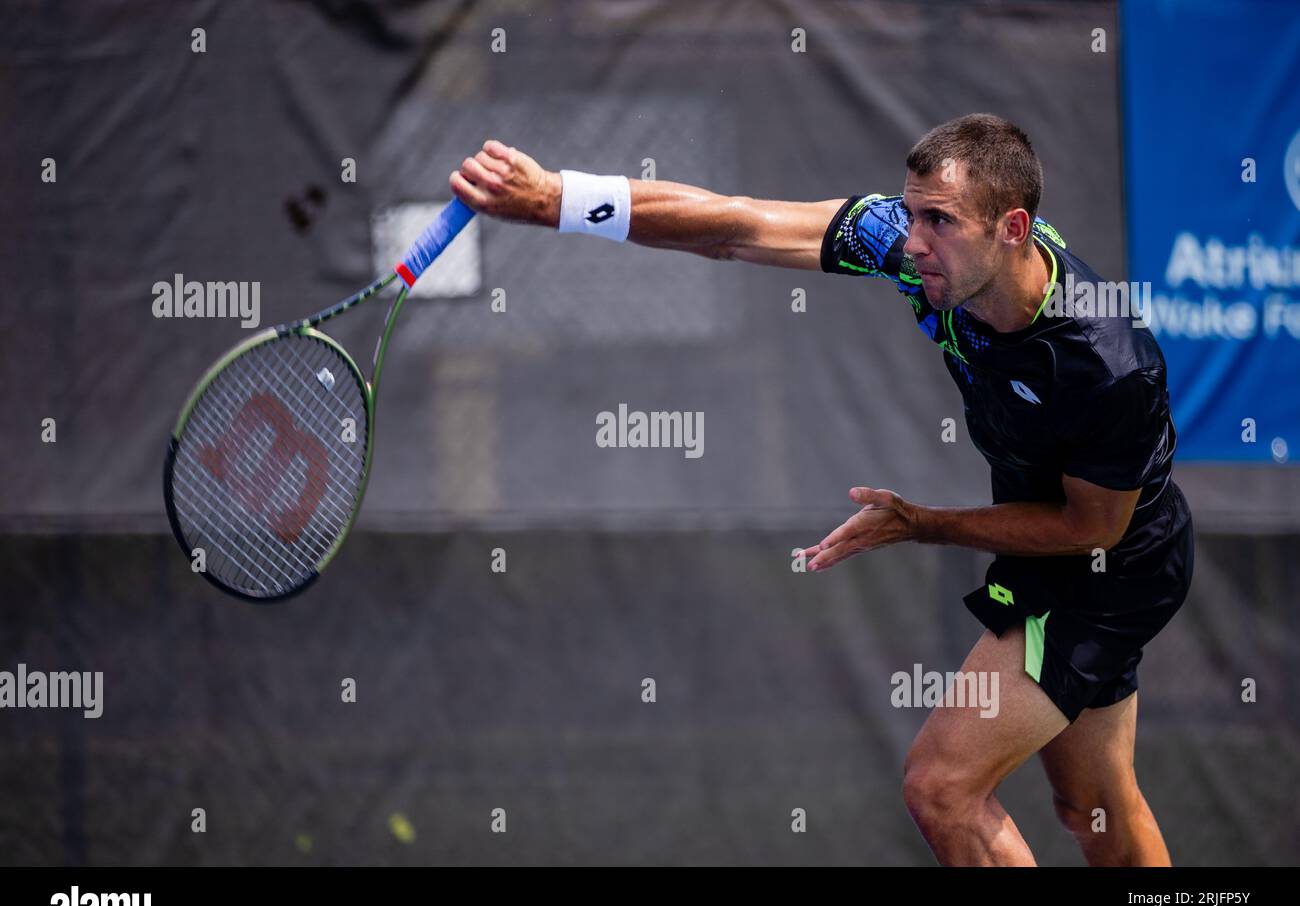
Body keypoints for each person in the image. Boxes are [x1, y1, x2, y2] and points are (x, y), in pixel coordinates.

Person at [448, 113, 1194, 866]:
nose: (911, 241)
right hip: (1074, 540)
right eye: (910, 215)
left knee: (943, 788)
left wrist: (922, 524)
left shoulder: (1107, 365)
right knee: (1094, 809)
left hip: (1112, 567)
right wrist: (557, 199)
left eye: (939, 221)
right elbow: (734, 226)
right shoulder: (916, 252)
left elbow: (1088, 531)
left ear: (1013, 229)